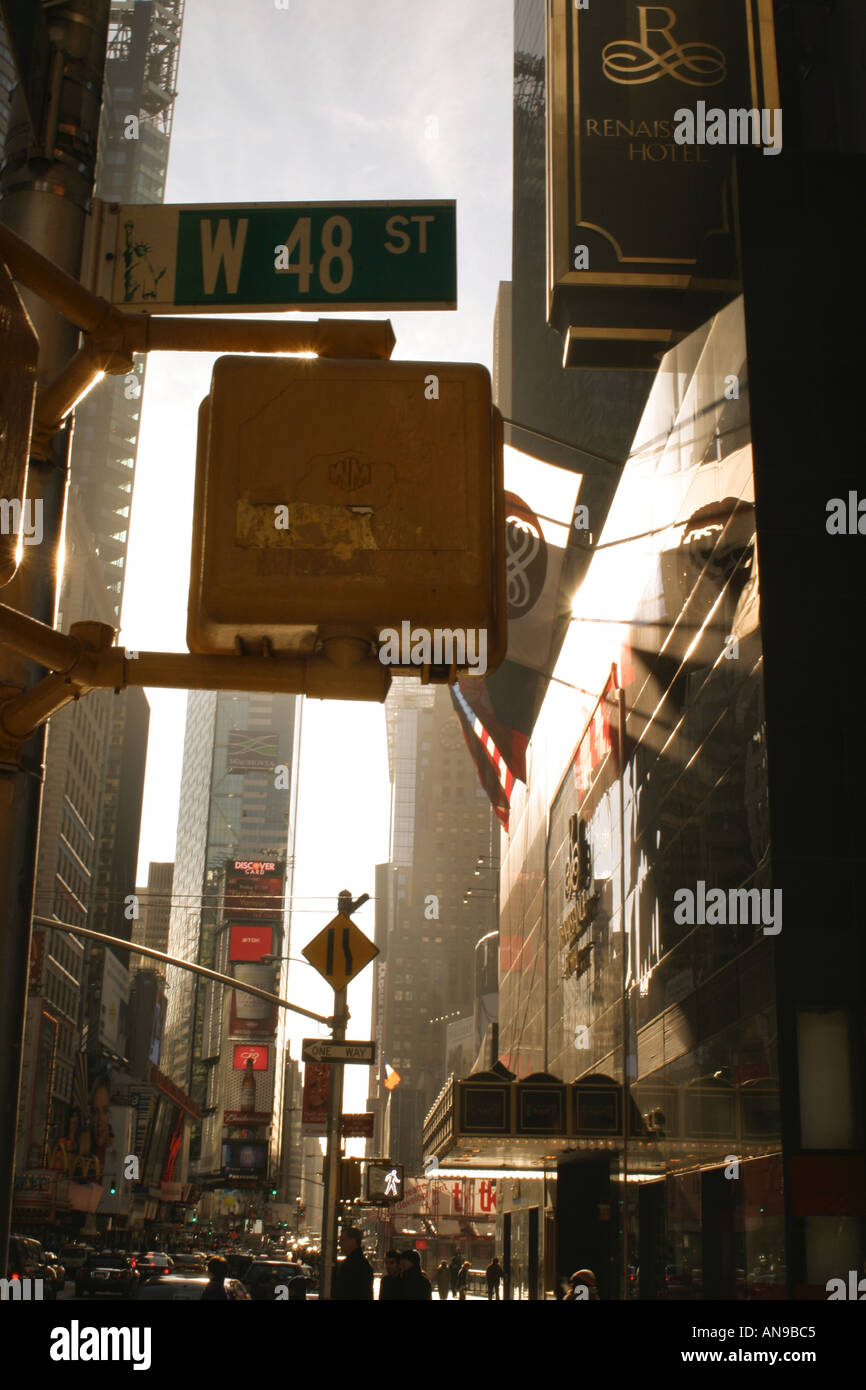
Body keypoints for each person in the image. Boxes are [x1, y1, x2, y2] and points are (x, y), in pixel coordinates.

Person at [333, 1226, 374, 1300]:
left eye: (342, 1240)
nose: (339, 1243)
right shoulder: (361, 1263)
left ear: (353, 1241)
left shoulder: (355, 1265)